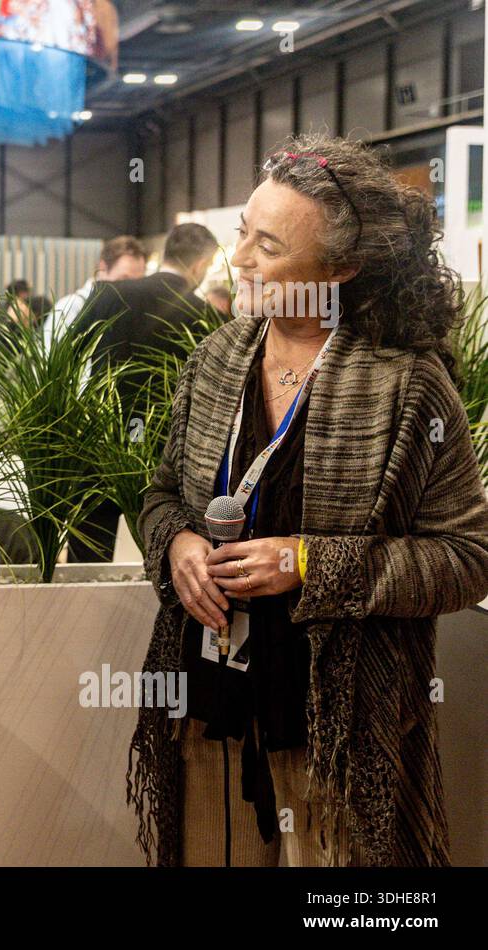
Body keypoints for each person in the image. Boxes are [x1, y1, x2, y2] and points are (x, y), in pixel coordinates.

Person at [128, 135, 488, 867]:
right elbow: (163, 491)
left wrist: (310, 563)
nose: (242, 261)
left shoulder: (405, 384)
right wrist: (177, 544)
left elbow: (467, 556)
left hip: (338, 730)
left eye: (269, 246)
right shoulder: (217, 357)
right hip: (208, 707)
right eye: (242, 236)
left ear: (343, 269)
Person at [66, 223, 219, 562]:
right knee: (161, 560)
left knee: (86, 558)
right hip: (165, 457)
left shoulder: (109, 294)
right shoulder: (206, 316)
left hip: (99, 442)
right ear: (199, 265)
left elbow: (66, 362)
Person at [42, 234, 147, 349]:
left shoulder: (132, 310)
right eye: (123, 280)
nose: (130, 289)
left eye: (137, 282)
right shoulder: (70, 307)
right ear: (102, 268)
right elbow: (49, 359)